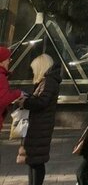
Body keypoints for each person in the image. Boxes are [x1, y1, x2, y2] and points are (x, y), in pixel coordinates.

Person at [16, 54, 61, 185]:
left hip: (40, 127)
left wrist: (25, 102)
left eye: (35, 68)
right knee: (33, 160)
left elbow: (41, 102)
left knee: (36, 161)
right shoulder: (46, 82)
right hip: (39, 125)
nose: (34, 72)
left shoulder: (48, 82)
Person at [0, 45, 22, 170]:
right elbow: (2, 100)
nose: (10, 60)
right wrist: (18, 94)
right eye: (8, 58)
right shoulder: (1, 77)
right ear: (2, 60)